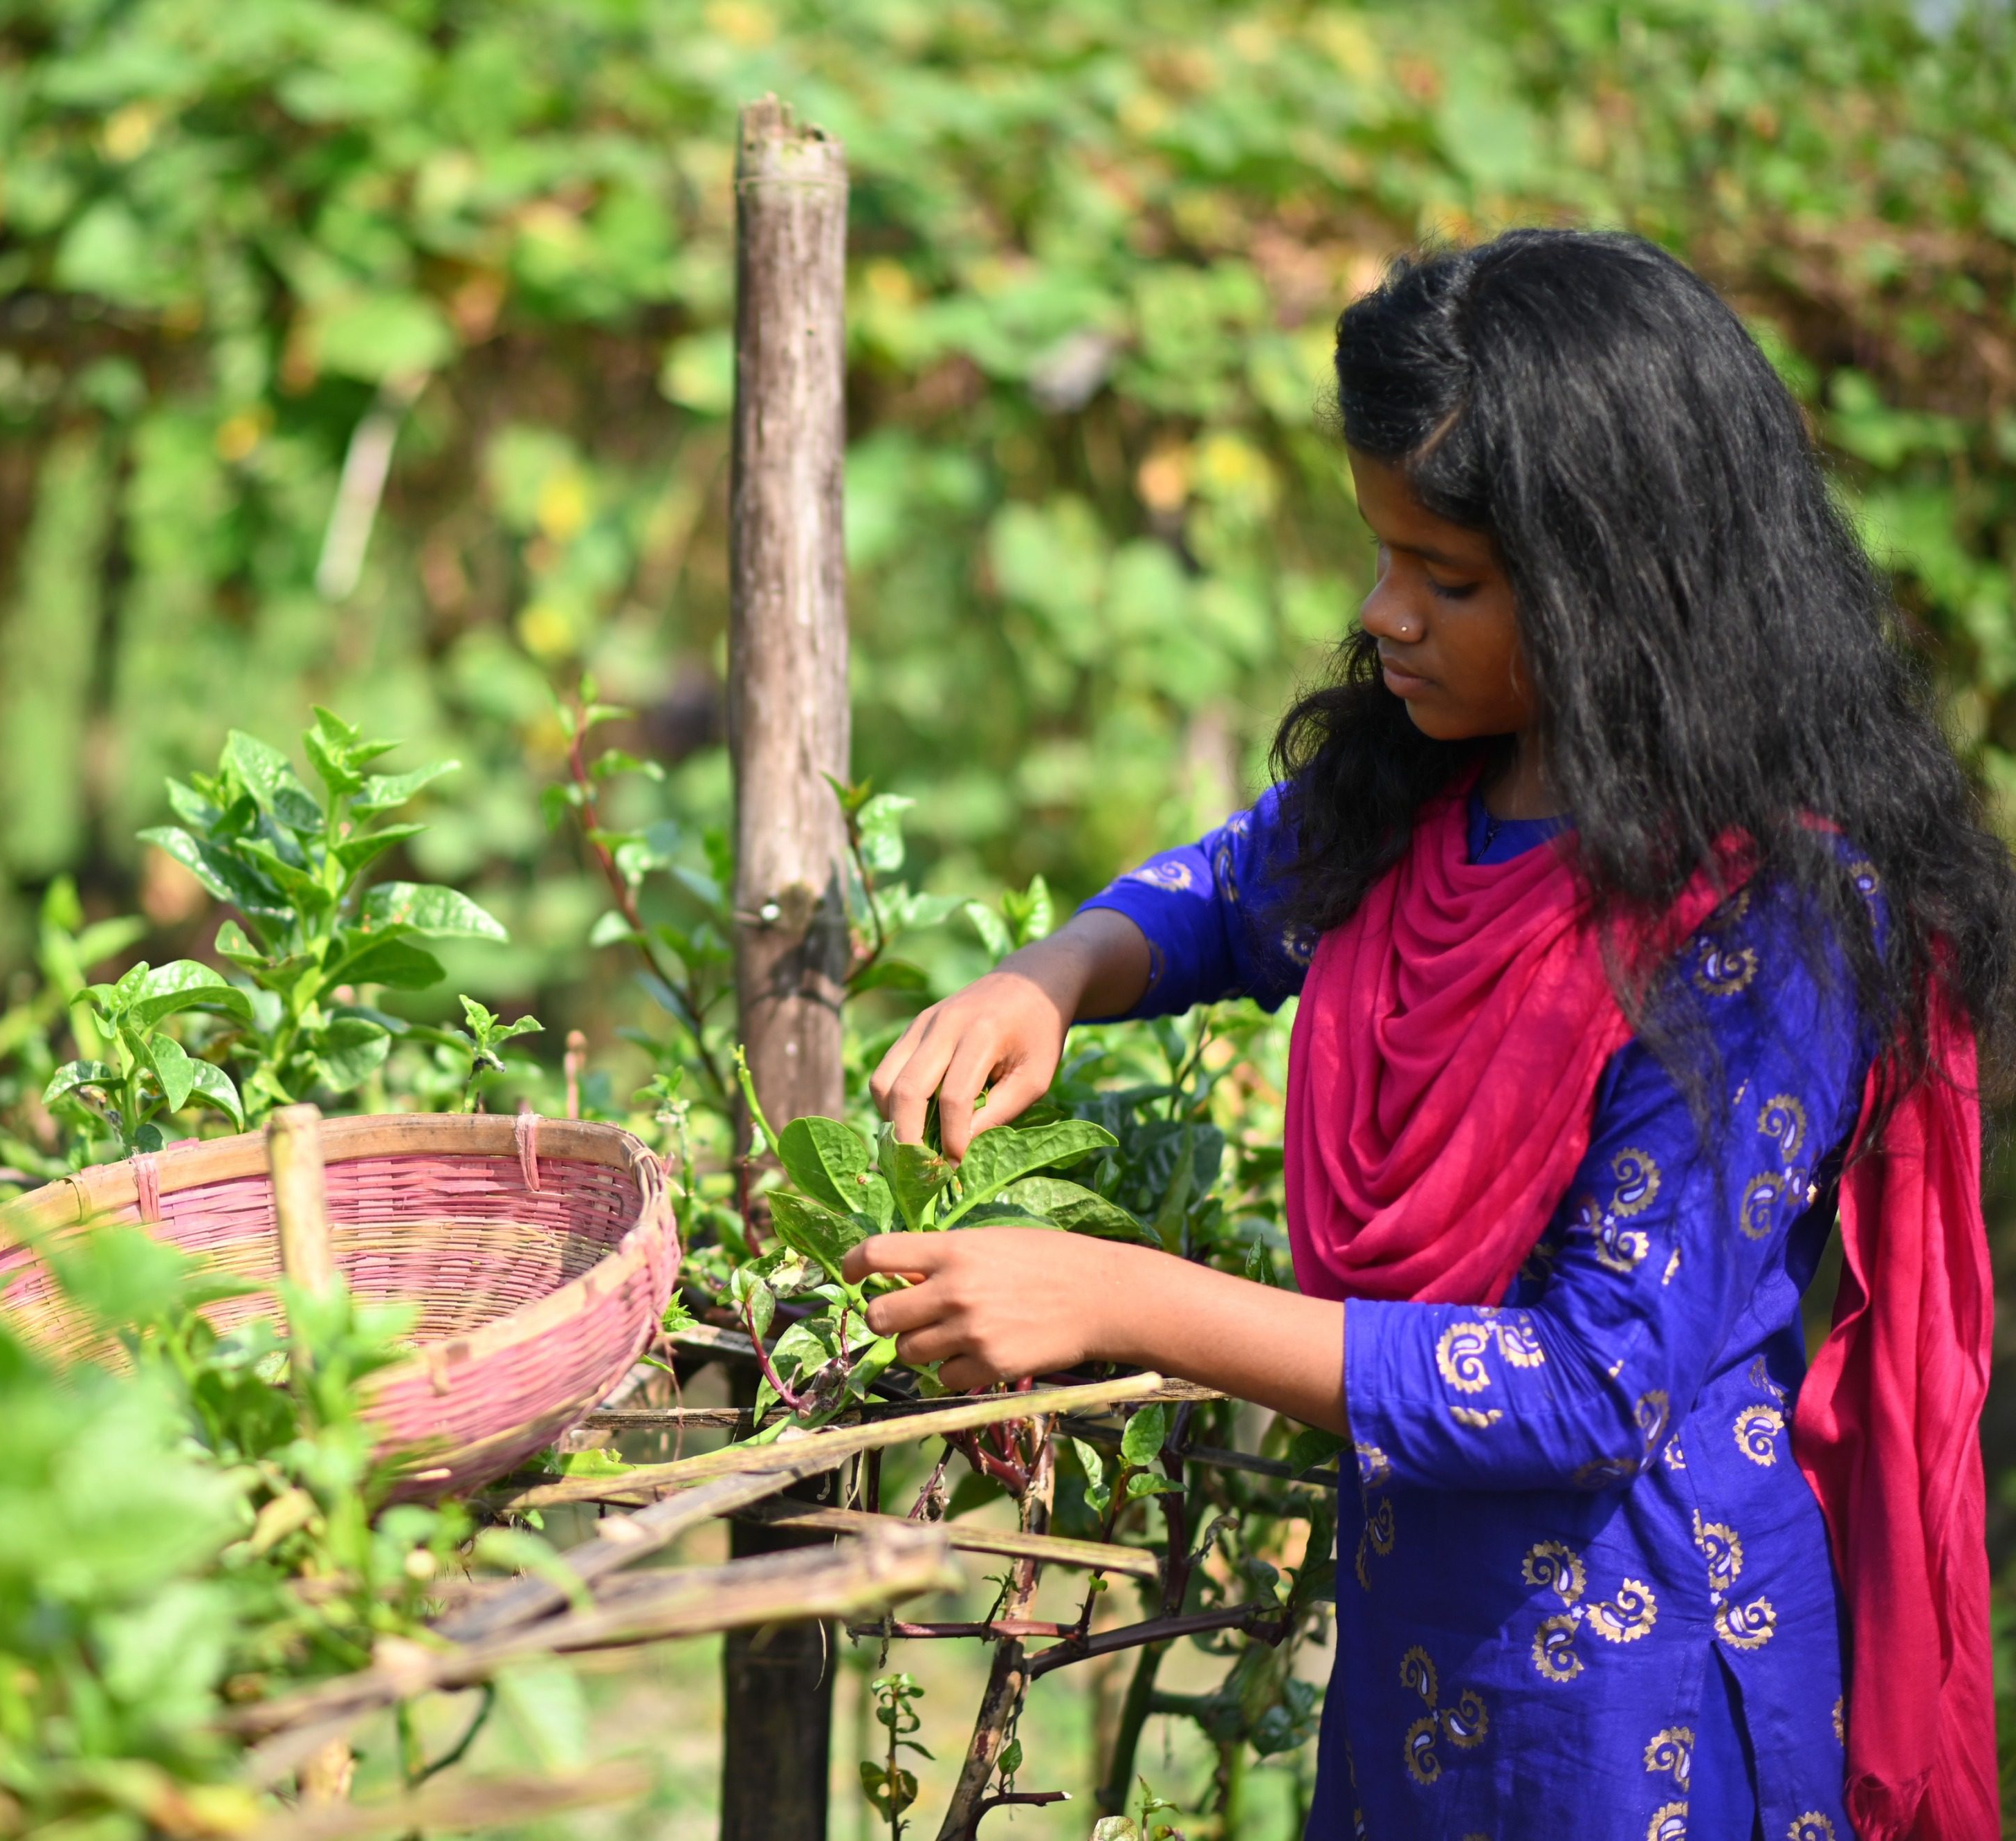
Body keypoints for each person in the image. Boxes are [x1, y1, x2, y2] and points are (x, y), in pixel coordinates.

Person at [854, 230, 2007, 1840]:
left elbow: (1590, 1382)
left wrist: (1120, 1296)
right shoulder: (1426, 789)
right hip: (1417, 1653)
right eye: (1380, 554)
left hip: (1645, 1697)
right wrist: (1049, 973)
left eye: (1445, 578)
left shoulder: (1765, 919)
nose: (1382, 614)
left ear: (1622, 591)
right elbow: (1229, 891)